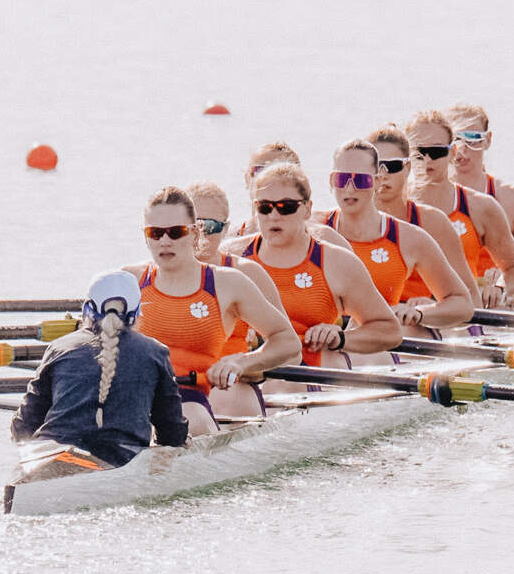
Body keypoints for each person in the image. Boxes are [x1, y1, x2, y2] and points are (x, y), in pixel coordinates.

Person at [127, 185, 298, 433]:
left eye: (176, 232)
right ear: (146, 236)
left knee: (189, 419)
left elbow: (288, 341)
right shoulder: (128, 280)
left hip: (187, 399)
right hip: (132, 397)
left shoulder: (228, 282)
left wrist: (242, 362)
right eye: (155, 233)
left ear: (195, 233)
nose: (165, 241)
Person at [222, 162, 402, 371]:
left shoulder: (336, 263)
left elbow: (389, 331)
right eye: (264, 207)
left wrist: (340, 338)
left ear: (307, 209)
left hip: (307, 373)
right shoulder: (231, 255)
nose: (273, 216)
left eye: (286, 207)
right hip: (241, 372)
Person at [9, 270, 189, 468]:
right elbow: (172, 432)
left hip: (49, 455)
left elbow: (24, 425)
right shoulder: (155, 352)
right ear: (136, 312)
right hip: (120, 458)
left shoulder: (59, 347)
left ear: (87, 309)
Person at [316, 139, 475, 338]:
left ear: (377, 181)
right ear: (331, 181)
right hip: (325, 342)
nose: (349, 189)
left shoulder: (410, 238)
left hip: (379, 344)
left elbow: (462, 303)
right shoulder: (313, 230)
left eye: (360, 180)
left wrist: (419, 314)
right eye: (342, 179)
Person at [404, 108, 514, 308]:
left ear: (452, 152)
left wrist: (498, 288)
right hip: (404, 315)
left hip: (458, 316)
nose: (427, 160)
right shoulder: (387, 205)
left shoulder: (480, 207)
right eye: (418, 152)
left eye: (436, 152)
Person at [361, 123, 474, 305]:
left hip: (421, 324)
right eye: (376, 167)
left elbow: (469, 297)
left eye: (392, 166)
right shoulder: (343, 223)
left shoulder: (433, 223)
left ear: (408, 168)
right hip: (368, 325)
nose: (382, 175)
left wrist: (431, 309)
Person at [447, 103, 514, 283]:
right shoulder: (422, 198)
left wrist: (507, 288)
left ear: (487, 140)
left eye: (472, 139)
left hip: (498, 305)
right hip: (446, 303)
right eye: (454, 141)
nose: (462, 149)